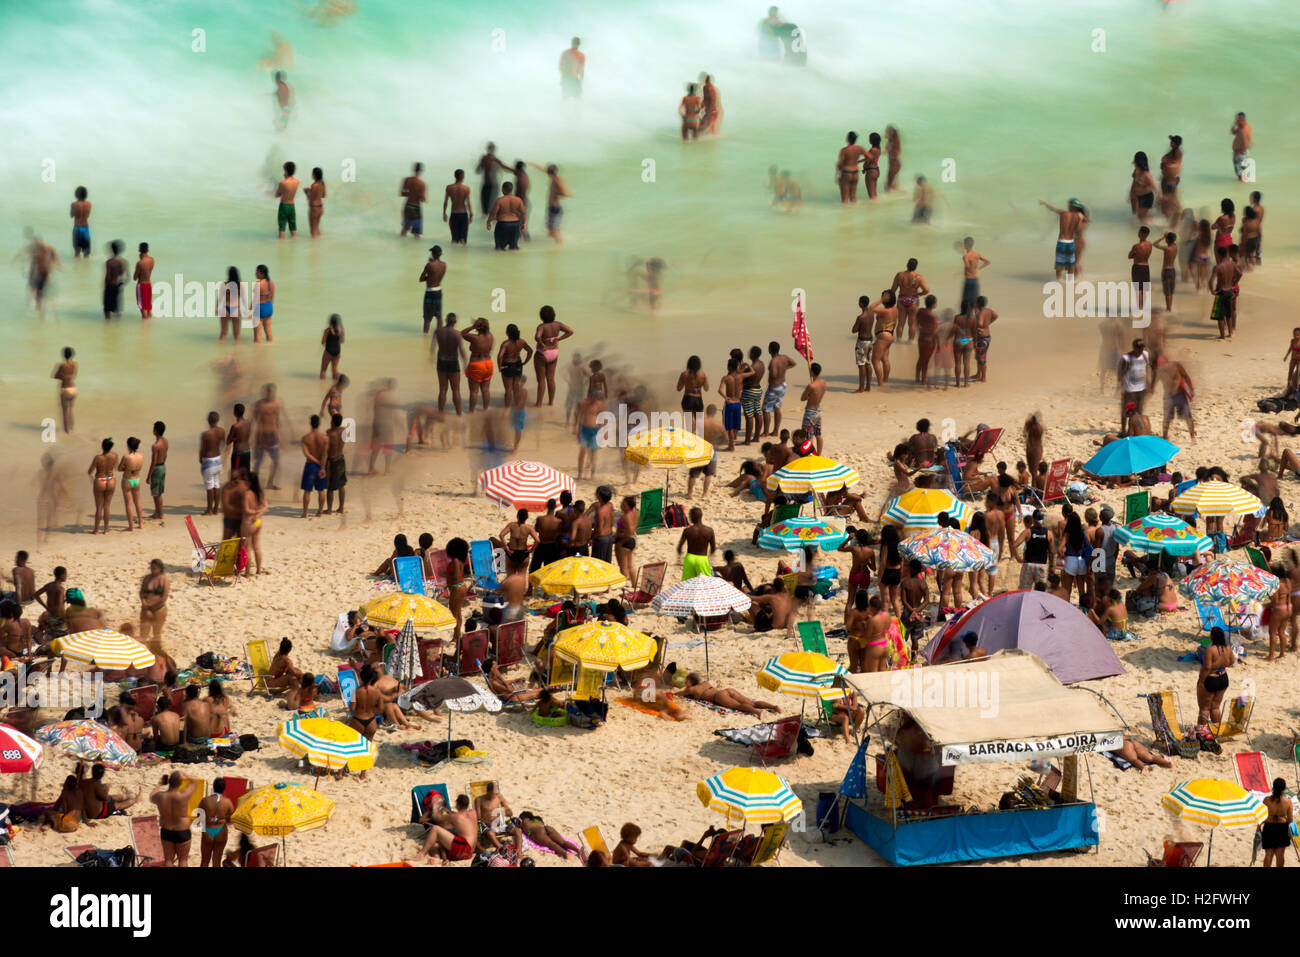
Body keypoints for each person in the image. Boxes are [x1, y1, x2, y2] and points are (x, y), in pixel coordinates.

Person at [681, 673, 779, 717]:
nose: (685, 682)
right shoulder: (705, 683)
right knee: (752, 703)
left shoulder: (691, 689)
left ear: (691, 681)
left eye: (686, 681)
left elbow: (677, 694)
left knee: (738, 706)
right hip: (727, 690)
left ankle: (758, 712)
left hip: (718, 696)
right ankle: (774, 707)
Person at [1196, 627, 1235, 734]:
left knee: (1204, 708)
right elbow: (1232, 661)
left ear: (1212, 637)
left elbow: (1207, 667)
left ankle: (1201, 732)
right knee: (1215, 707)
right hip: (1223, 677)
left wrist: (1201, 681)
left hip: (1211, 678)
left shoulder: (1210, 650)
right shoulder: (1228, 648)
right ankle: (1216, 730)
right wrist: (1221, 665)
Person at [533, 306, 573, 407]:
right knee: (551, 379)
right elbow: (570, 331)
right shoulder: (558, 324)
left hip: (542, 354)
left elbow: (537, 337)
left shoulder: (542, 326)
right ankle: (551, 403)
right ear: (553, 315)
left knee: (541, 381)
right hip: (554, 353)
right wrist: (559, 339)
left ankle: (538, 404)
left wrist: (542, 344)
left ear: (541, 316)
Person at [1040, 199, 1087, 281]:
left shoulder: (1063, 213)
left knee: (1059, 265)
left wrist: (1045, 203)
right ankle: (1071, 281)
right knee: (1071, 266)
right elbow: (1079, 231)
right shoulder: (1080, 216)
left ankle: (1059, 280)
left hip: (1062, 241)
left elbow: (1053, 209)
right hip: (1071, 242)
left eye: (1069, 204)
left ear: (1070, 205)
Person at [197, 778, 236, 867]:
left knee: (205, 861)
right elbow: (231, 820)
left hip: (208, 830)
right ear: (224, 788)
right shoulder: (228, 802)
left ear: (214, 787)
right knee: (217, 861)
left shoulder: (205, 800)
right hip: (221, 830)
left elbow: (199, 817)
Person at [1118, 338, 1150, 434]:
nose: (1140, 350)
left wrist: (1148, 382)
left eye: (1142, 347)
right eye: (1139, 348)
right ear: (1134, 347)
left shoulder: (1145, 355)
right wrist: (1122, 384)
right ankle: (1123, 430)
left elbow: (1146, 367)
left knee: (1139, 410)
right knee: (1126, 411)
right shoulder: (1126, 358)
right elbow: (1120, 373)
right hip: (1130, 390)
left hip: (1142, 388)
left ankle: (1136, 429)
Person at [1261, 778, 1293, 868]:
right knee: (1280, 855)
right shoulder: (1288, 801)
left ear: (1273, 787)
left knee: (1268, 854)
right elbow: (1290, 819)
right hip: (1282, 828)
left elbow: (1262, 815)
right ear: (1284, 788)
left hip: (1269, 827)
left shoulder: (1266, 800)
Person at [677, 507, 716, 580]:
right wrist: (710, 557)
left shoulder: (687, 530)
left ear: (692, 517)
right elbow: (713, 548)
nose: (689, 518)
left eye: (690, 516)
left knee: (687, 582)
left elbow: (679, 547)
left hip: (690, 558)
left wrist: (679, 557)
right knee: (706, 582)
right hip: (702, 559)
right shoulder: (709, 531)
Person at [486, 180, 525, 251]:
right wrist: (524, 223)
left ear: (502, 189)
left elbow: (493, 213)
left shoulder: (499, 200)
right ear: (511, 189)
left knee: (499, 249)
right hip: (515, 224)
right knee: (514, 248)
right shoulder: (518, 200)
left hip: (502, 224)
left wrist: (488, 222)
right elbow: (523, 213)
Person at [799, 362, 826, 455]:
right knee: (818, 434)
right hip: (818, 410)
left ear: (812, 372)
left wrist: (809, 395)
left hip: (810, 412)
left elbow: (802, 398)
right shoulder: (823, 383)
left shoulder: (811, 386)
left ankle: (810, 455)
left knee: (808, 436)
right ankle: (819, 454)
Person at [835, 132, 867, 204]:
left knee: (845, 199)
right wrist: (859, 161)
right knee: (853, 197)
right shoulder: (860, 148)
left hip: (846, 173)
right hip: (855, 173)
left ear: (847, 139)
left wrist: (837, 175)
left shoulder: (844, 150)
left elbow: (839, 164)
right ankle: (855, 211)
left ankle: (846, 211)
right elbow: (870, 157)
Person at [443, 170, 472, 246]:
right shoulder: (466, 188)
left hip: (454, 214)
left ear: (454, 176)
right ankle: (463, 253)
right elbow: (468, 203)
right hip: (463, 214)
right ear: (463, 177)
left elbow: (446, 202)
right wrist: (471, 214)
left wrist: (444, 213)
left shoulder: (449, 187)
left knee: (454, 239)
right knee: (463, 239)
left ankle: (453, 252)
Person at [399, 162, 426, 237]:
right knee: (416, 234)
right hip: (416, 208)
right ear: (421, 171)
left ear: (413, 169)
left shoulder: (406, 180)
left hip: (407, 206)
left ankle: (400, 243)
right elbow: (423, 199)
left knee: (405, 229)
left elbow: (402, 193)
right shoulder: (422, 183)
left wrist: (410, 193)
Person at [103, 240, 127, 319]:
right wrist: (122, 284)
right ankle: (118, 324)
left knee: (107, 310)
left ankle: (107, 324)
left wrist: (105, 287)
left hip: (110, 286)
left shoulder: (109, 262)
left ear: (111, 250)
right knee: (117, 309)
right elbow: (126, 276)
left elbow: (108, 276)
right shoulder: (123, 262)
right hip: (118, 286)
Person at [274, 161, 299, 239]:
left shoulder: (283, 183)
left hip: (284, 206)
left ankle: (281, 246)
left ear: (286, 171)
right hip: (292, 206)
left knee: (282, 229)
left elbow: (277, 195)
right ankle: (294, 244)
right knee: (293, 228)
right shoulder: (297, 182)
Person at [252, 264, 275, 342]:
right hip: (269, 306)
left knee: (257, 335)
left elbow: (254, 300)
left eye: (257, 272)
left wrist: (250, 311)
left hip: (260, 308)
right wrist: (268, 307)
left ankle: (257, 349)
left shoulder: (258, 284)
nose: (255, 273)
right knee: (268, 331)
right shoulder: (271, 282)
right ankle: (270, 347)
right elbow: (272, 297)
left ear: (262, 273)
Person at [320, 313, 344, 380]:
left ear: (330, 321)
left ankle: (322, 385)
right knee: (334, 369)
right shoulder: (341, 330)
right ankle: (335, 384)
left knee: (323, 369)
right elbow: (342, 341)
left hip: (328, 351)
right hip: (337, 352)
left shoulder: (327, 330)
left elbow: (323, 342)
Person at [1231, 112, 1252, 181]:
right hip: (1241, 152)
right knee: (1242, 171)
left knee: (1240, 173)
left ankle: (1242, 182)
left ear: (1242, 120)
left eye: (1237, 119)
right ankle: (1243, 181)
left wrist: (1237, 152)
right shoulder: (1242, 126)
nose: (1236, 120)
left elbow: (1246, 144)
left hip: (1241, 152)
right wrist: (1235, 123)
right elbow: (1233, 131)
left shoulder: (1243, 131)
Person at [307, 166, 326, 237]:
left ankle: (314, 244)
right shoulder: (323, 184)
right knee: (317, 229)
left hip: (314, 208)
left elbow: (311, 199)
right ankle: (320, 242)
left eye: (312, 173)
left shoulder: (314, 185)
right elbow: (324, 195)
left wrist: (307, 192)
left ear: (314, 175)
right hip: (321, 208)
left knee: (313, 231)